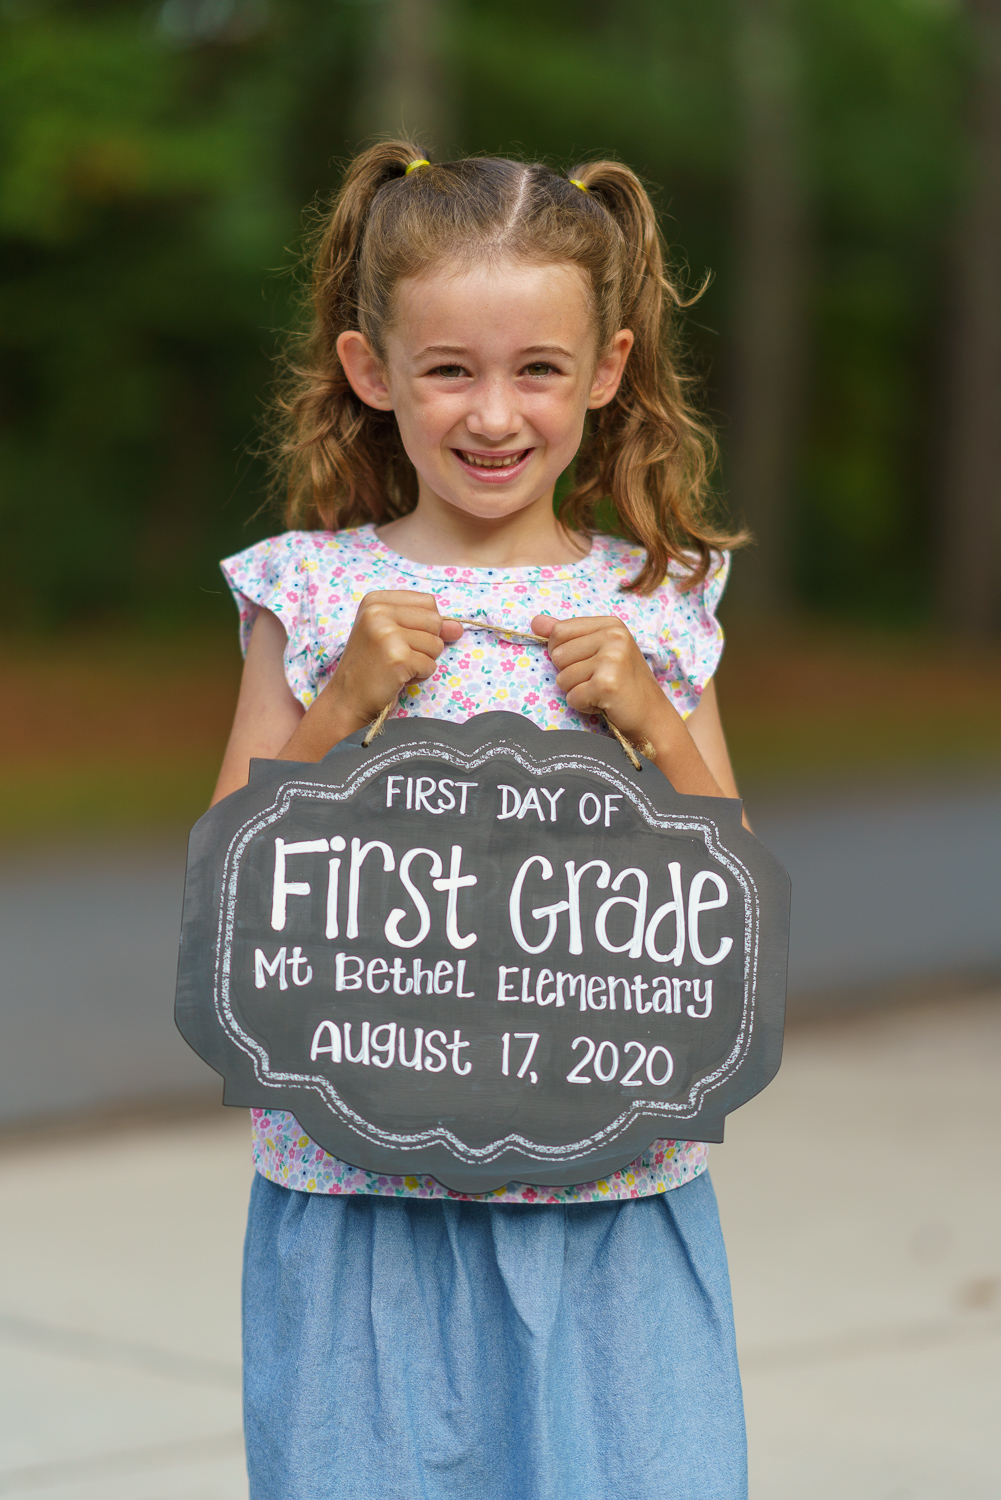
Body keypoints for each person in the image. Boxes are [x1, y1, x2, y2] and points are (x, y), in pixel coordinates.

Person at [215, 141, 749, 1500]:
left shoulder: (654, 604)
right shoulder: (312, 593)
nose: (492, 414)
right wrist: (338, 705)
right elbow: (224, 882)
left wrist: (654, 718)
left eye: (538, 370)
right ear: (369, 367)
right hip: (361, 1191)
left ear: (608, 372)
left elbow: (729, 891)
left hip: (605, 1191)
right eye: (449, 368)